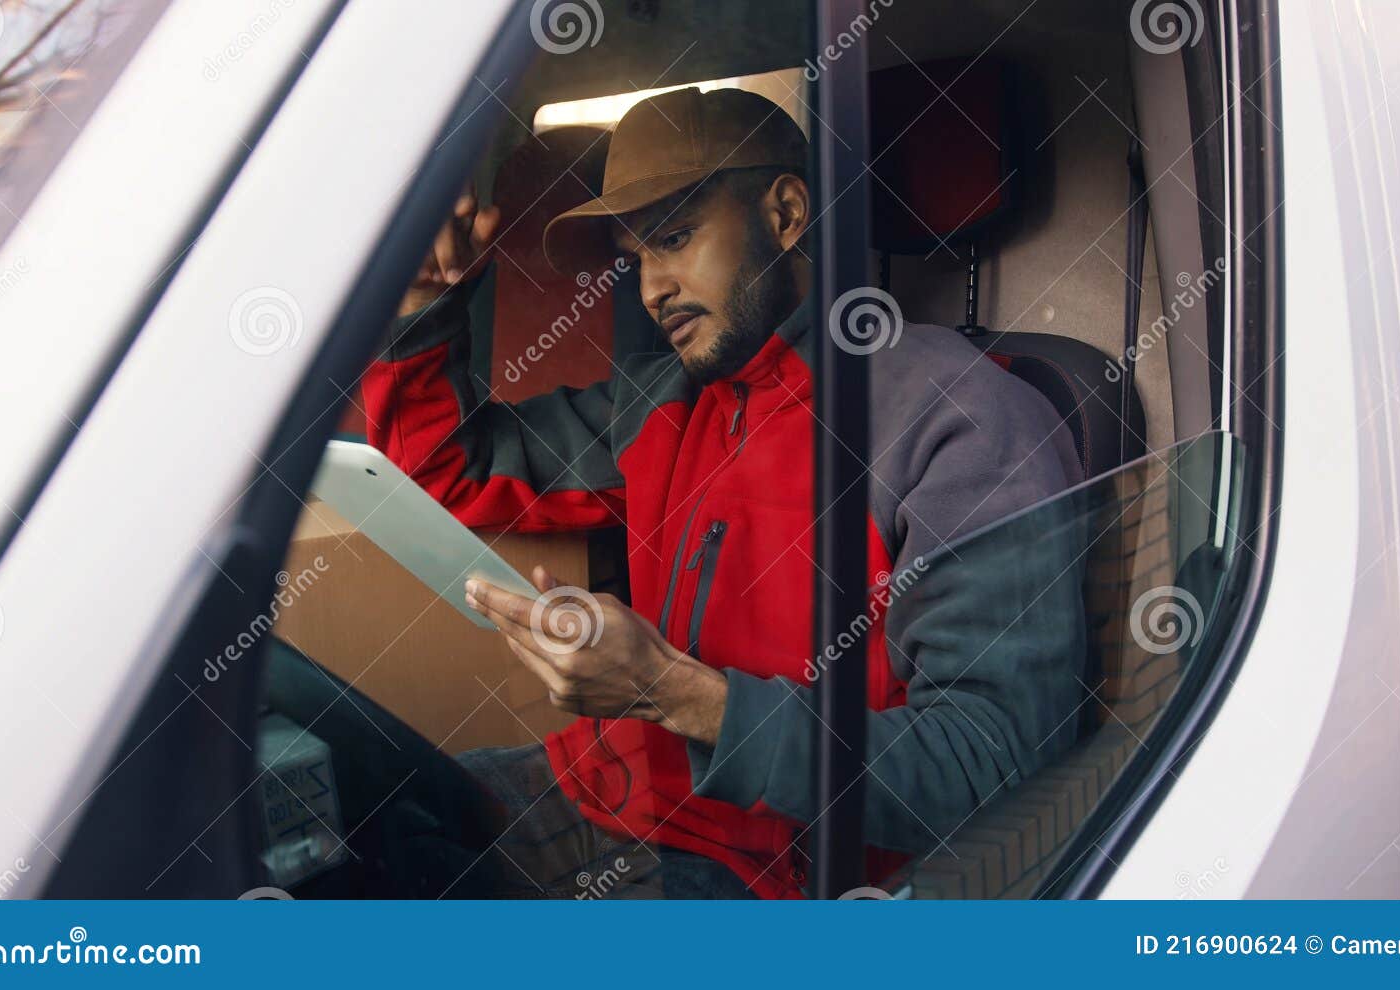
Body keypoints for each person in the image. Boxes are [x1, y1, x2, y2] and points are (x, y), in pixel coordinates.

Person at [364, 87, 1085, 899]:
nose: (651, 289)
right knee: (363, 814)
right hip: (615, 791)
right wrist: (423, 300)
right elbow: (448, 470)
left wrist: (675, 694)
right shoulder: (664, 400)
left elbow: (989, 763)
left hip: (772, 872)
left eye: (675, 238)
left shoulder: (958, 417)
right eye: (637, 257)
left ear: (785, 214)